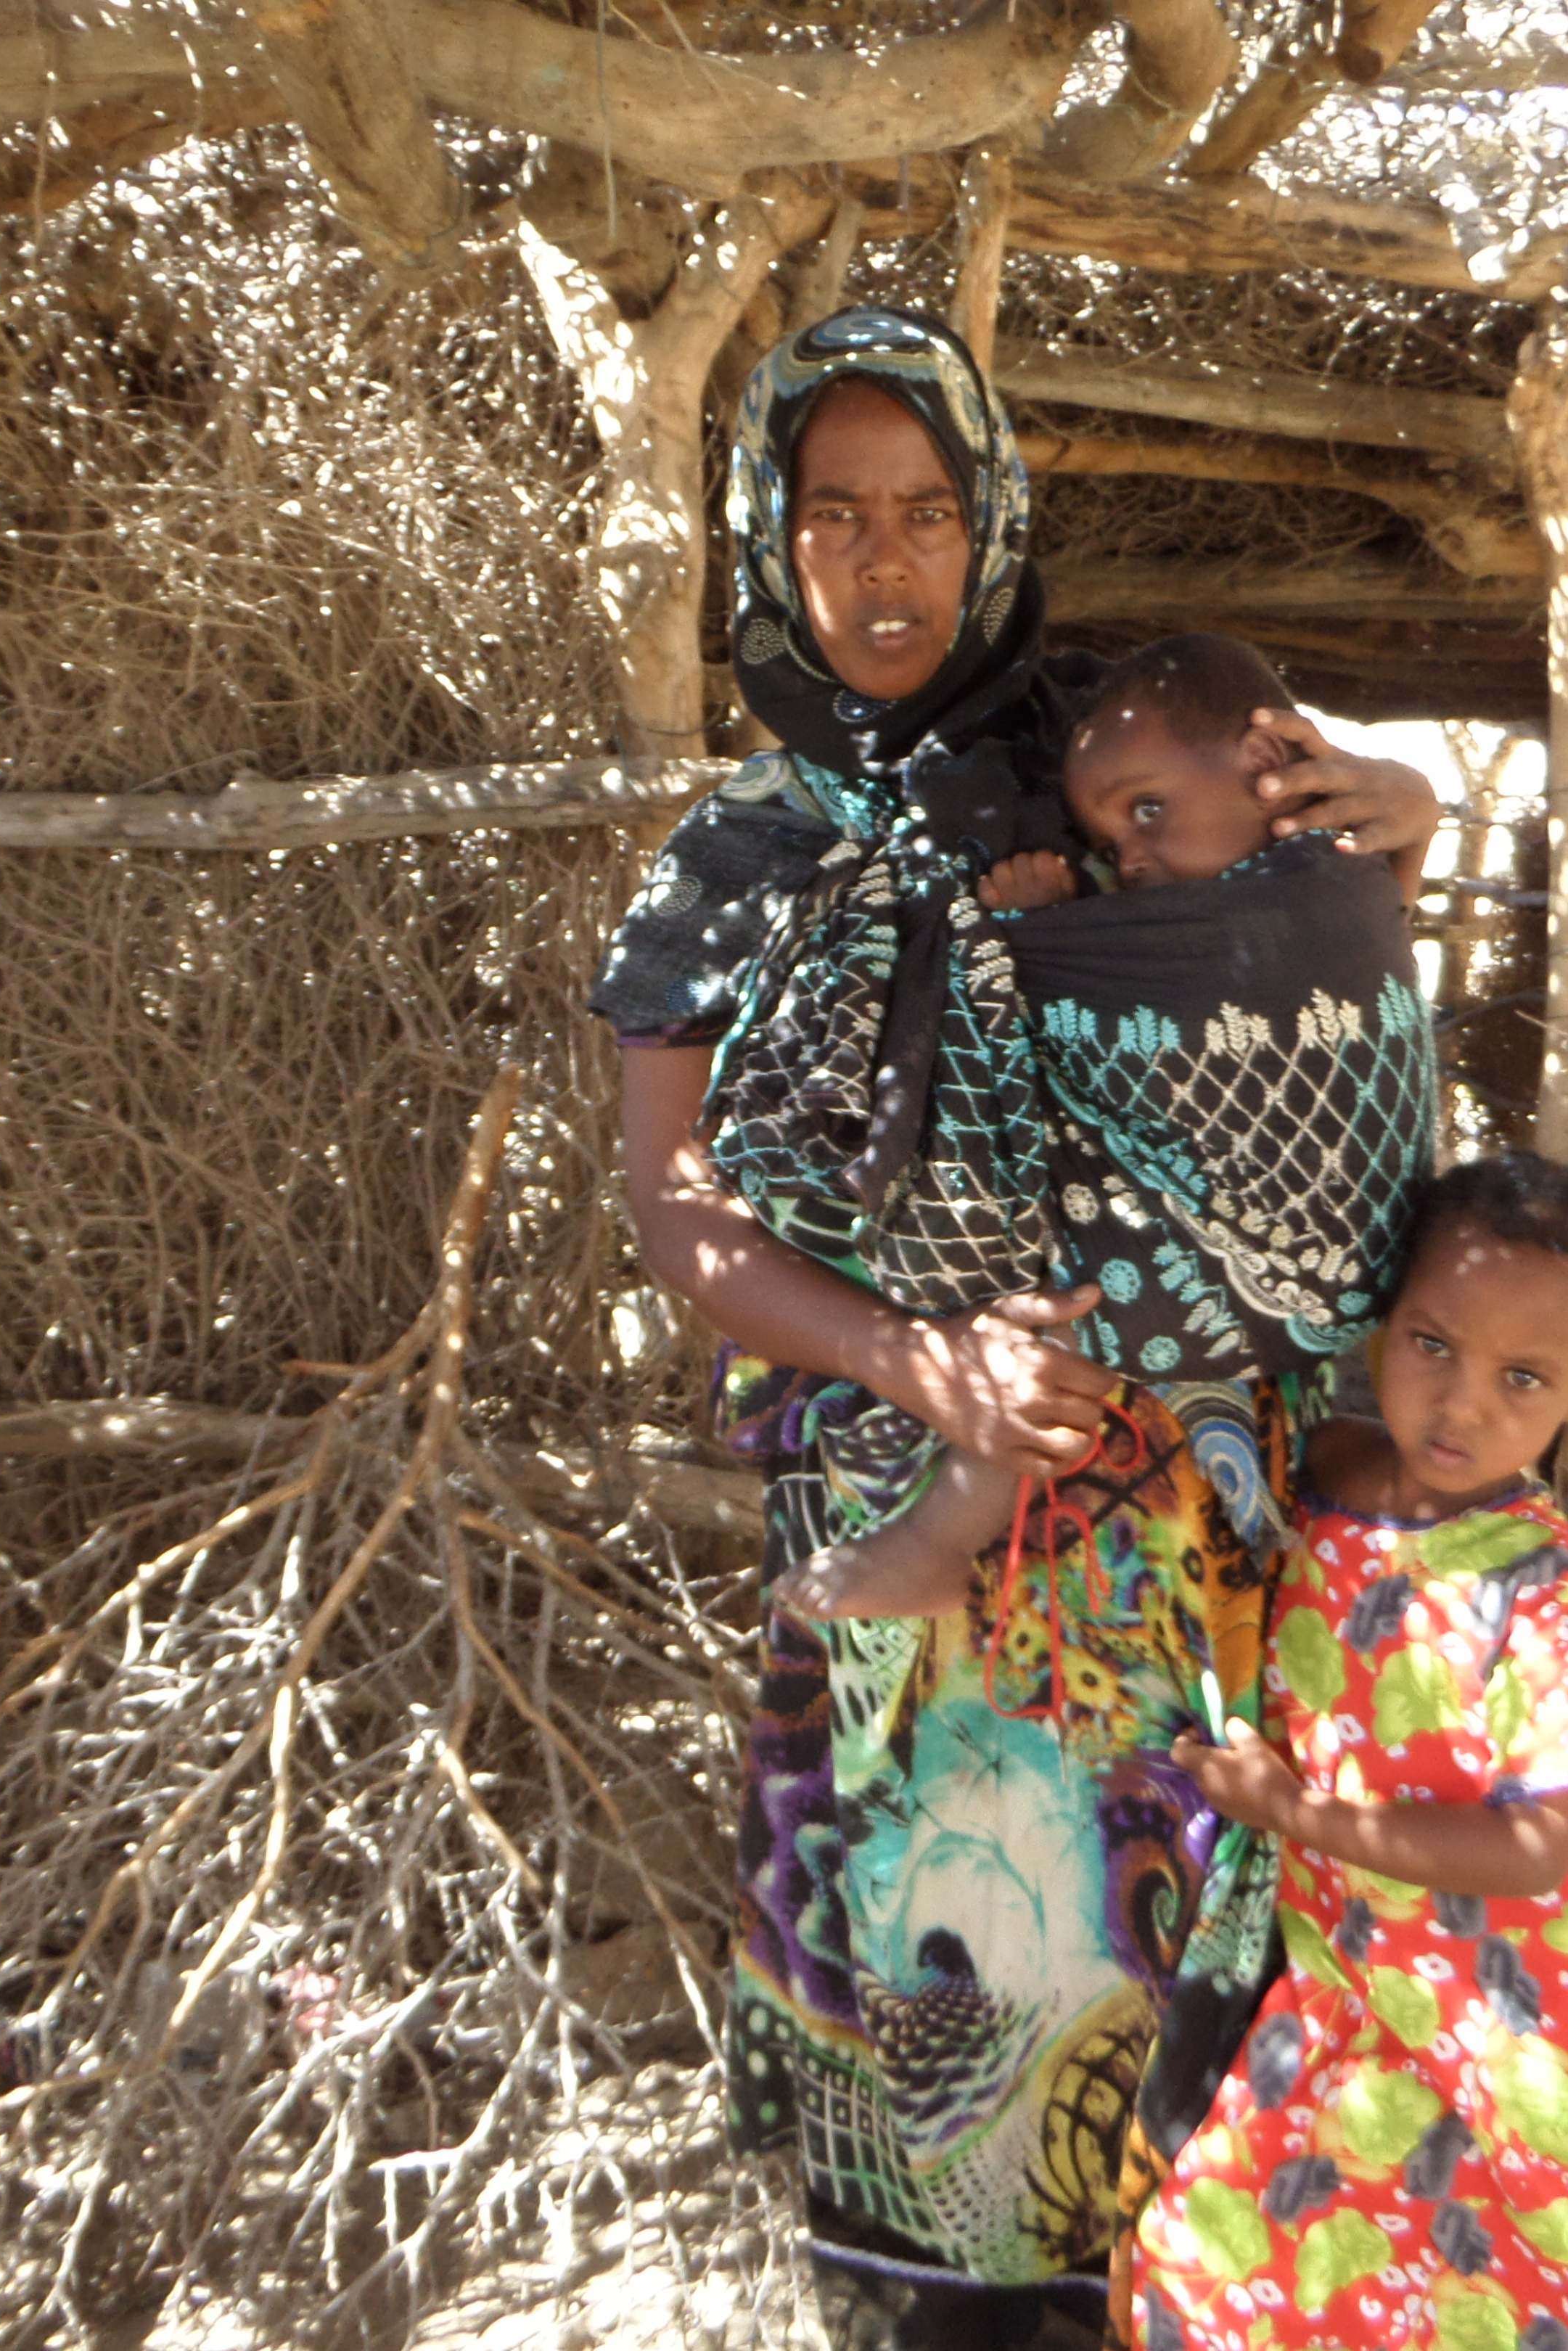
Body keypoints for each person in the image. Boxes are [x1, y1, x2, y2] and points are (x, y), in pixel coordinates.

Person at [591, 306, 1443, 2346]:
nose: (886, 565)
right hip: (926, 1531)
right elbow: (675, 1206)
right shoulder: (732, 860)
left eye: (928, 513)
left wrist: (1397, 794)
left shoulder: (1093, 739)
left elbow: (1321, 866)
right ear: (765, 545)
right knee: (958, 2013)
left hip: (1198, 1527)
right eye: (835, 519)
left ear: (989, 527)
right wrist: (914, 1361)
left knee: (1212, 2022)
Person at [1130, 1153, 1568, 2351]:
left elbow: (1535, 1852)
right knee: (1214, 2273)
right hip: (1353, 1993)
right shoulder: (1325, 1473)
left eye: (1522, 1378)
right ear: (1378, 1323)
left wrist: (1297, 1816)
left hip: (1522, 2034)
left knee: (1525, 2304)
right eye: (1432, 1346)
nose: (1463, 1406)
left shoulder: (1552, 1594)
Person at [782, 631, 1440, 1622]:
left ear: (1268, 764)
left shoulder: (1330, 881)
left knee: (1062, 1302)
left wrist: (1029, 947)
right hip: (1212, 1316)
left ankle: (931, 1539)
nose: (1132, 858)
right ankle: (933, 1544)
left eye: (1149, 811)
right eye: (1112, 842)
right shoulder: (1164, 914)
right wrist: (1056, 926)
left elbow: (1352, 966)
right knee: (1060, 1321)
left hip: (1334, 1290)